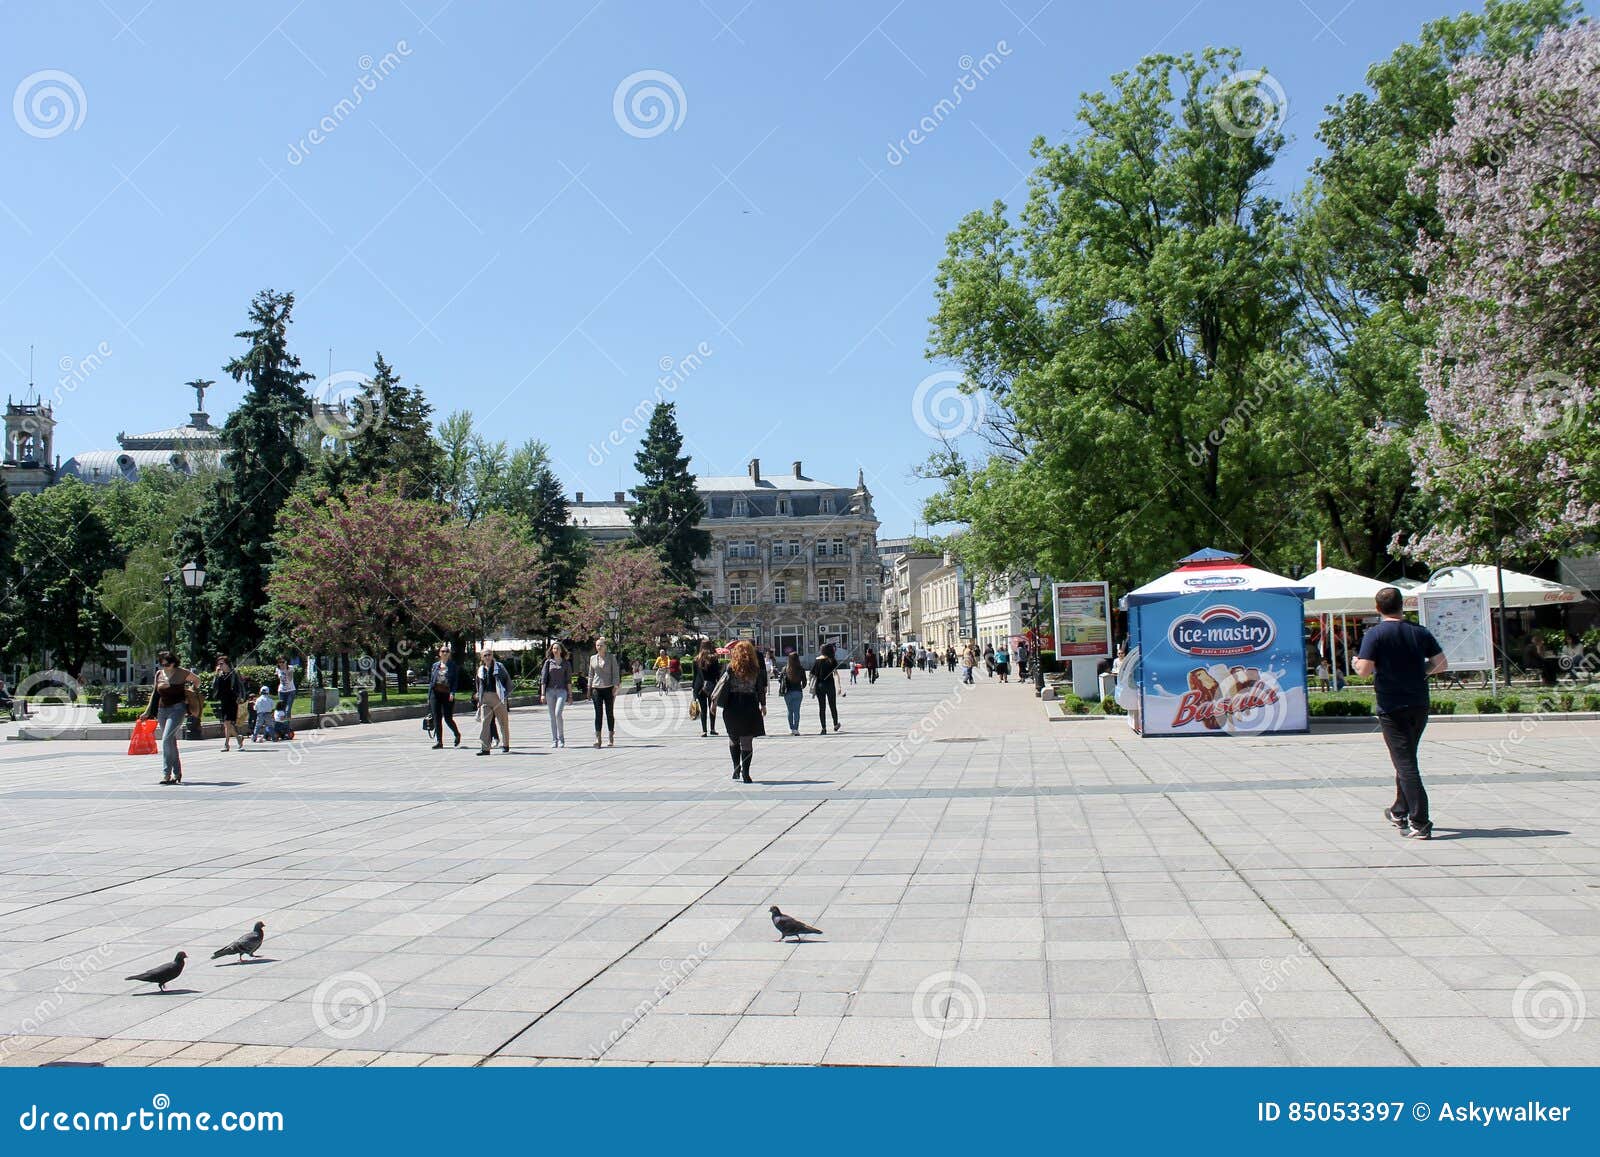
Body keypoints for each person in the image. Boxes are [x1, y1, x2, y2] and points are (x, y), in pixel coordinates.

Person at [1354, 586, 1447, 840]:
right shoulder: (1419, 632)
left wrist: (1355, 662)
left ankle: (1420, 821)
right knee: (1406, 758)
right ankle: (1399, 809)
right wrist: (1419, 672)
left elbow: (1363, 670)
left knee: (1405, 763)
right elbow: (1441, 664)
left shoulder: (1375, 635)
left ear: (1377, 608)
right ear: (1402, 605)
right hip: (1419, 703)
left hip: (1392, 706)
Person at [142, 651, 198, 784]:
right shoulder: (159, 674)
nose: (163, 666)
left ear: (173, 663)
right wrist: (147, 712)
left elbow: (197, 680)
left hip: (178, 709)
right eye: (161, 663)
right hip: (162, 710)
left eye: (166, 663)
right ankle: (177, 773)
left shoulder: (182, 672)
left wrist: (191, 693)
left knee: (166, 739)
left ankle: (166, 774)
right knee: (170, 742)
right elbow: (155, 694)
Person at [716, 639, 766, 783]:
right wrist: (763, 705)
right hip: (749, 704)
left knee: (733, 738)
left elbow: (722, 685)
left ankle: (736, 768)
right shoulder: (755, 669)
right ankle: (747, 773)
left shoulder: (730, 668)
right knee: (747, 740)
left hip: (732, 705)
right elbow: (760, 689)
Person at [475, 648, 512, 756]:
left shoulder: (499, 667)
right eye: (485, 655)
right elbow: (479, 685)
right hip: (485, 698)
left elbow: (507, 680)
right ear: (482, 657)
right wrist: (479, 698)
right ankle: (485, 748)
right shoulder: (481, 669)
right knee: (484, 723)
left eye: (489, 654)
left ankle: (506, 744)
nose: (487, 657)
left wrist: (506, 695)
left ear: (492, 655)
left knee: (503, 722)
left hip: (497, 697)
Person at [426, 644, 462, 749]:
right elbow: (431, 681)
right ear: (439, 653)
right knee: (437, 718)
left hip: (447, 693)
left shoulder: (453, 666)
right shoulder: (435, 666)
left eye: (447, 651)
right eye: (442, 651)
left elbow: (455, 681)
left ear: (449, 654)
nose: (444, 653)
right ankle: (439, 742)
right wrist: (429, 696)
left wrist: (452, 693)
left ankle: (457, 734)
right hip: (435, 693)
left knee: (448, 718)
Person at [589, 636, 620, 747]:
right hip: (596, 688)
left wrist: (615, 686)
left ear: (605, 647)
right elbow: (591, 674)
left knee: (609, 712)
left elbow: (616, 673)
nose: (598, 647)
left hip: (609, 688)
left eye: (601, 645)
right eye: (597, 645)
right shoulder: (592, 658)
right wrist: (589, 688)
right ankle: (598, 738)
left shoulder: (611, 657)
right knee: (598, 713)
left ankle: (611, 736)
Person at [213, 654, 245, 753]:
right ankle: (238, 738)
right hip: (224, 700)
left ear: (227, 664)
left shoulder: (234, 673)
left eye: (222, 664)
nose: (220, 666)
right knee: (227, 723)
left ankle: (227, 744)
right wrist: (216, 675)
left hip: (232, 700)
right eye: (218, 664)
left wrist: (241, 697)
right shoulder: (219, 675)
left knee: (227, 722)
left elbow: (240, 686)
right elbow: (214, 687)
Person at [542, 642, 571, 748]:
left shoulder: (566, 663)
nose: (555, 650)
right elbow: (543, 679)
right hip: (550, 691)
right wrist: (542, 694)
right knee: (552, 716)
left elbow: (568, 680)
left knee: (558, 713)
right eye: (554, 648)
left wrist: (570, 695)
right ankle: (554, 740)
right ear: (551, 650)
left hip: (562, 691)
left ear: (561, 650)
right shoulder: (548, 663)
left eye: (557, 648)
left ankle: (562, 738)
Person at [690, 641, 721, 737]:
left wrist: (694, 689)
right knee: (712, 707)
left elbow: (695, 676)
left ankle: (704, 730)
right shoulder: (714, 659)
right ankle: (712, 729)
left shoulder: (696, 659)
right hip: (712, 686)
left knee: (703, 709)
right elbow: (717, 674)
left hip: (699, 687)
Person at [812, 642, 841, 734]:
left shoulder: (817, 661)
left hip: (819, 686)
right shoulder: (832, 660)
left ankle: (823, 728)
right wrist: (839, 686)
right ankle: (835, 724)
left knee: (822, 707)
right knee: (832, 705)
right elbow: (836, 674)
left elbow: (813, 674)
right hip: (830, 685)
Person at [778, 652, 806, 735]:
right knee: (797, 711)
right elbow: (804, 682)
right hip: (798, 692)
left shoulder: (785, 669)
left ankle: (791, 728)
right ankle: (796, 729)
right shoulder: (801, 669)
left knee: (790, 711)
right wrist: (801, 687)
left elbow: (780, 680)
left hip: (788, 693)